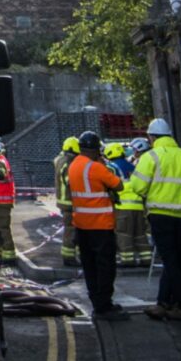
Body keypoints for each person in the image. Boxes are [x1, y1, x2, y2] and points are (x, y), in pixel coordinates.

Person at [128, 116, 181, 321]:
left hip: (161, 216)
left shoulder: (151, 157)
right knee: (177, 260)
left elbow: (137, 186)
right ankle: (163, 303)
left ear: (152, 138)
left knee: (170, 261)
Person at [67, 131, 124, 317]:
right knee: (106, 266)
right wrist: (101, 164)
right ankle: (105, 305)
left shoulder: (74, 165)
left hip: (82, 225)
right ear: (95, 149)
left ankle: (96, 302)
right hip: (100, 225)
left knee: (89, 265)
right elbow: (118, 185)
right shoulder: (96, 167)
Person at [115, 137, 152, 267]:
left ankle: (128, 260)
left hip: (126, 206)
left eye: (135, 150)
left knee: (124, 234)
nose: (133, 153)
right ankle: (147, 259)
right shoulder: (135, 164)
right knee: (140, 234)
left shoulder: (143, 163)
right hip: (139, 206)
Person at [54, 136, 80, 266]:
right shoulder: (69, 162)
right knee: (71, 230)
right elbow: (71, 181)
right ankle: (69, 258)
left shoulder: (60, 160)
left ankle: (71, 255)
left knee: (71, 229)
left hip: (65, 201)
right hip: (70, 202)